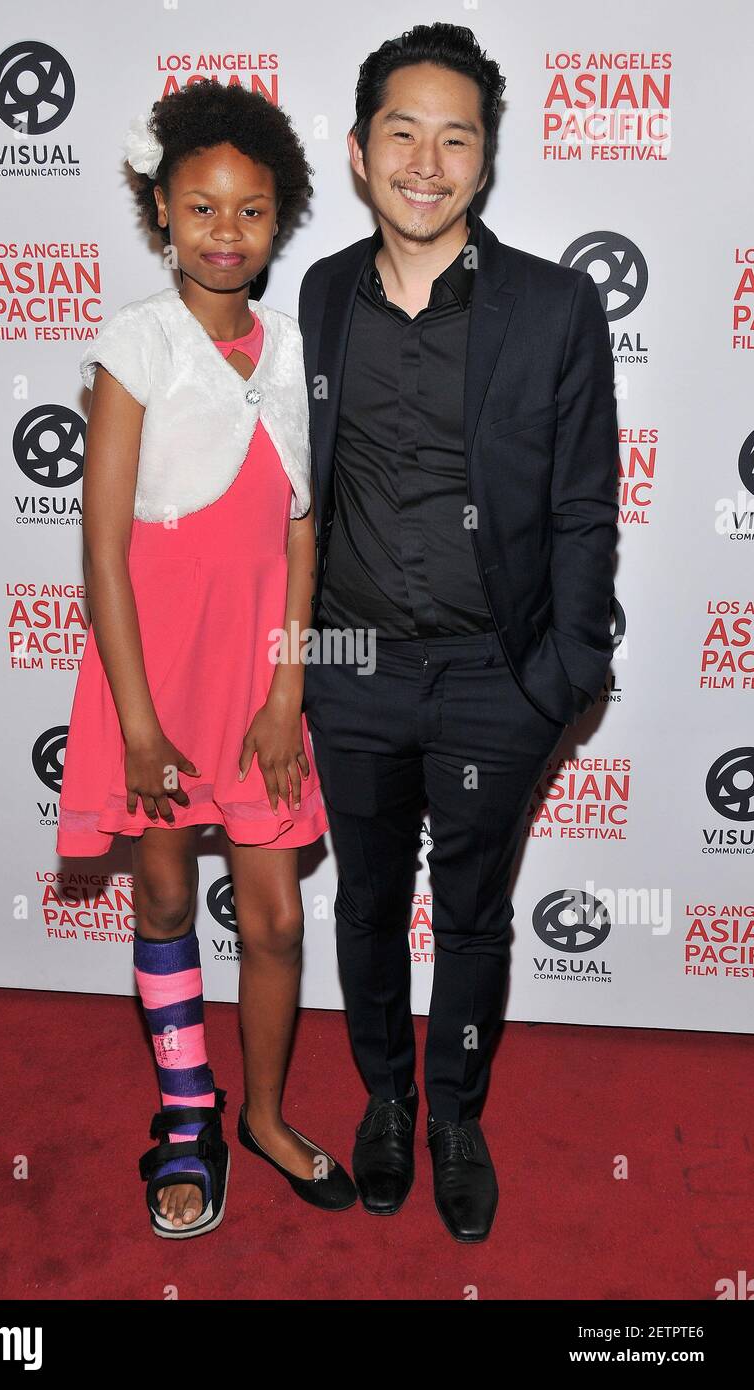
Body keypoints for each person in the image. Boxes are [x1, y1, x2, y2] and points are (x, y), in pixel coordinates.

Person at [298, 23, 619, 1241]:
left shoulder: (553, 305)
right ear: (358, 148)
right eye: (401, 132)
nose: (424, 162)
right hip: (349, 671)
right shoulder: (320, 295)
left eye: (455, 137)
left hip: (498, 675)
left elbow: (586, 500)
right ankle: (385, 1100)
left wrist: (566, 672)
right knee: (368, 905)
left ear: (483, 161)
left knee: (472, 916)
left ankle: (454, 1115)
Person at [56, 79, 356, 1238]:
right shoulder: (134, 338)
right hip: (150, 672)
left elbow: (299, 528)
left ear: (278, 219)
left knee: (275, 918)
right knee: (170, 888)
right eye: (201, 208)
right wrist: (134, 721)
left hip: (255, 675)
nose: (224, 232)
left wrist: (287, 691)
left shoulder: (290, 346)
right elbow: (103, 546)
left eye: (250, 209)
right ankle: (187, 1108)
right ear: (160, 216)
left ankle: (264, 1117)